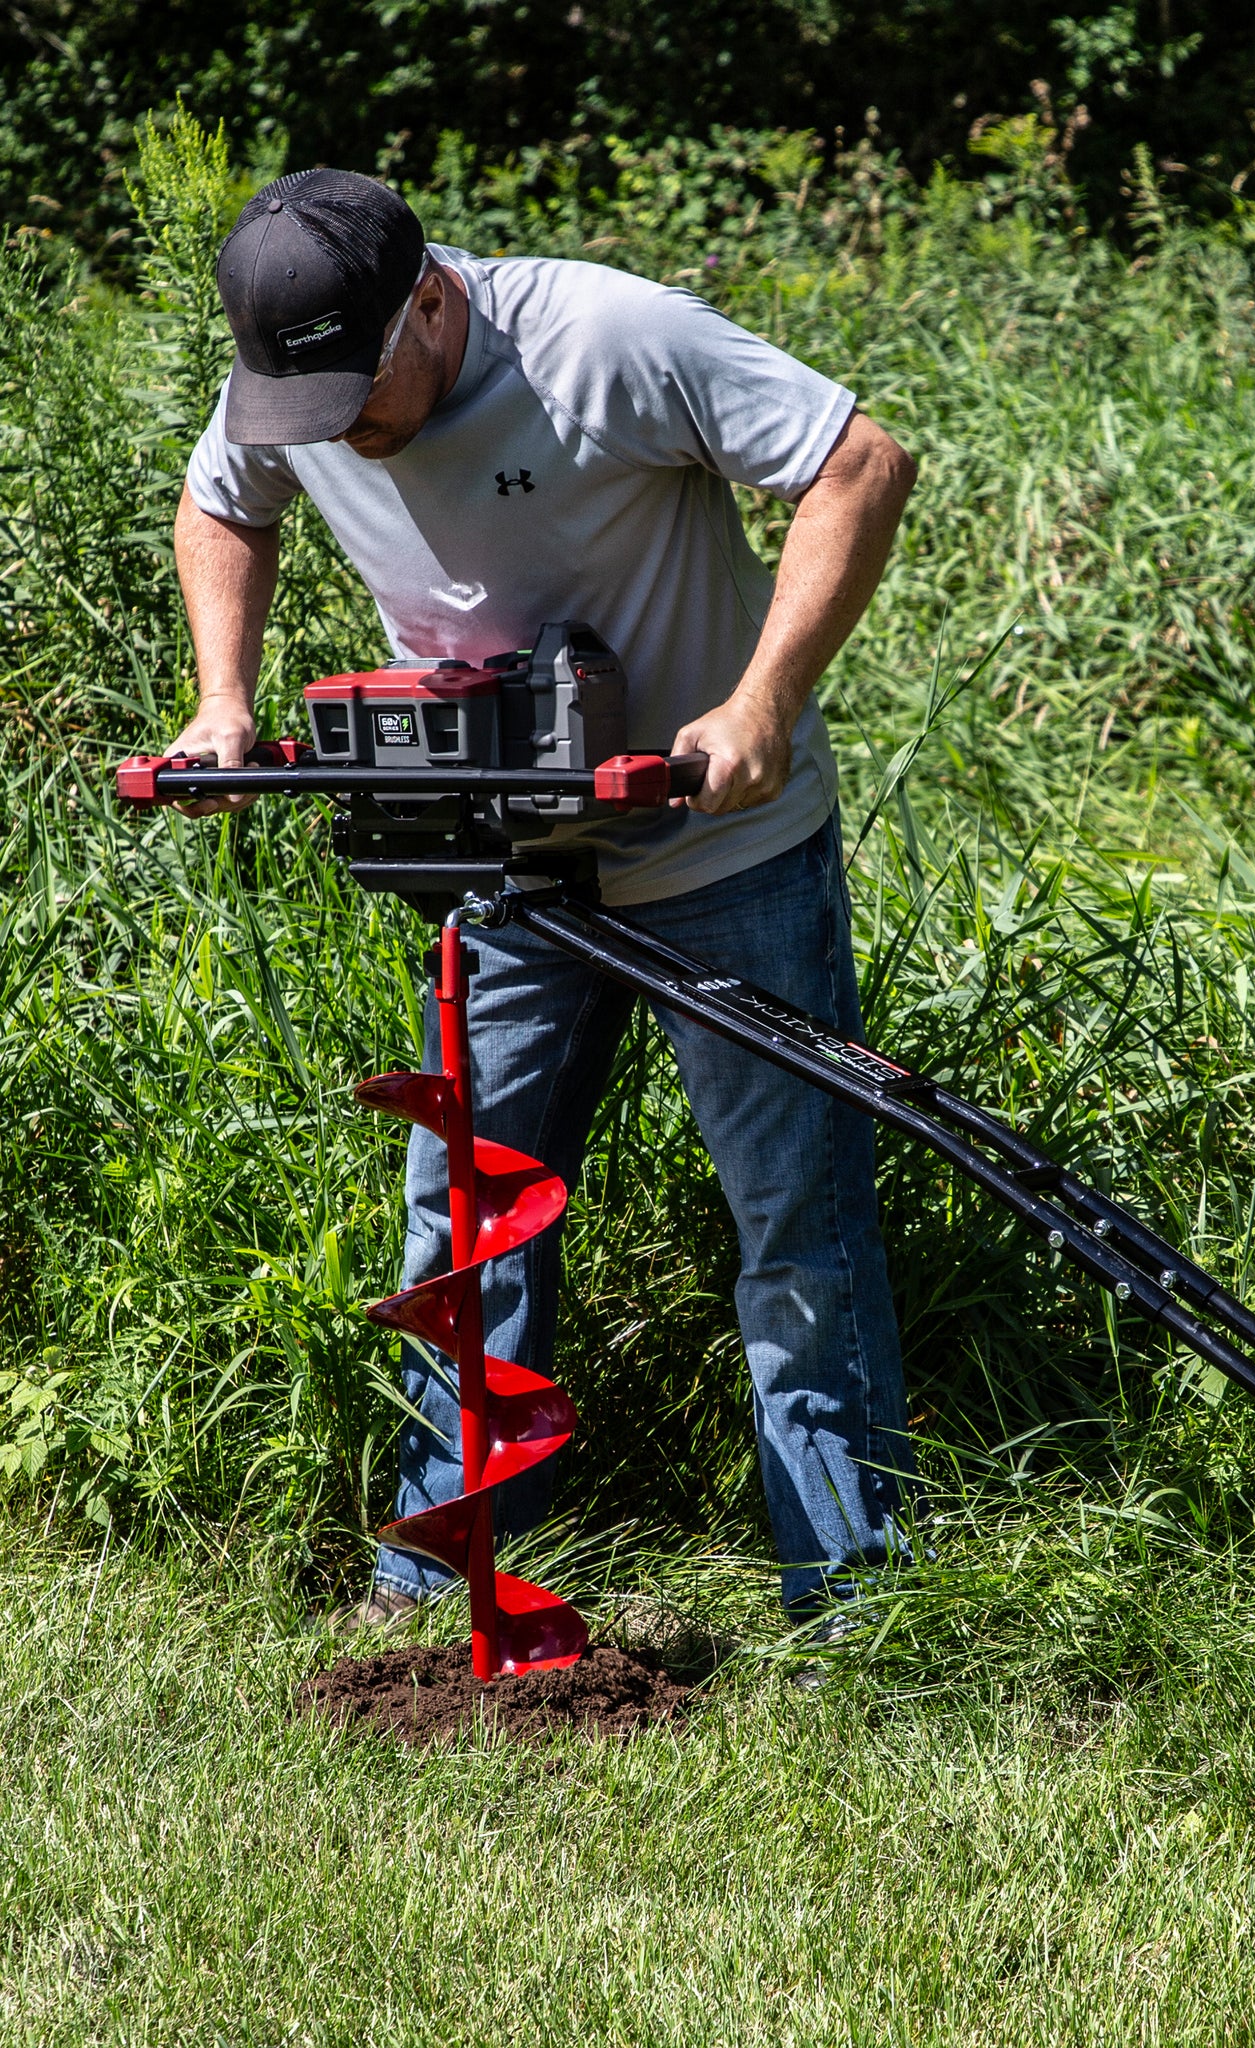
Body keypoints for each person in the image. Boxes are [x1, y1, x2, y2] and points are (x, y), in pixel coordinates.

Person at [168, 168, 918, 1625]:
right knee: (463, 1222)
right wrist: (224, 701)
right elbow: (221, 503)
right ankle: (435, 1583)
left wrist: (762, 702)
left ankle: (850, 1602)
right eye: (304, 409)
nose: (334, 434)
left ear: (429, 303)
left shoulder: (606, 339)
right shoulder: (298, 375)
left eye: (354, 399)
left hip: (717, 848)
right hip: (502, 862)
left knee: (796, 1230)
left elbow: (860, 463)